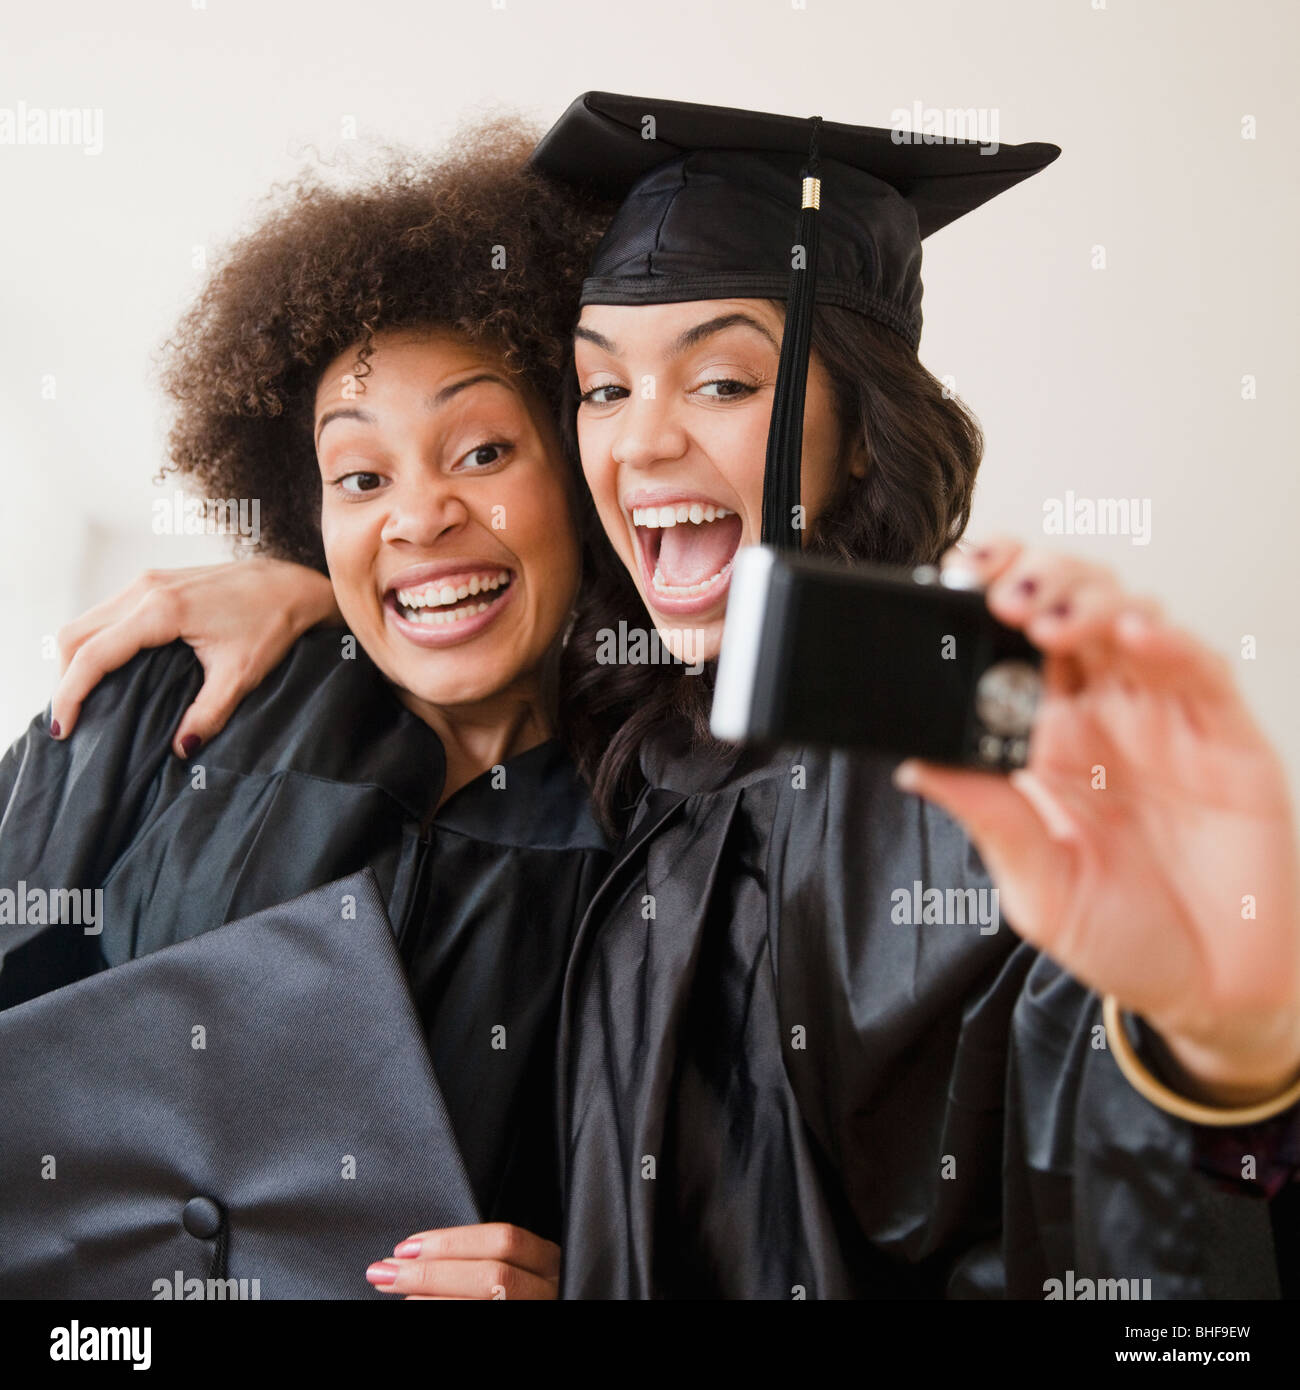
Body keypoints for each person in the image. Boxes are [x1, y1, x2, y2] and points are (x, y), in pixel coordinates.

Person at [49, 94, 1300, 1300]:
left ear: (856, 429)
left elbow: (1073, 1151)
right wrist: (308, 583)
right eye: (603, 387)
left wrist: (1230, 1050)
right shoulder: (624, 762)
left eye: (720, 381)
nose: (642, 440)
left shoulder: (909, 781)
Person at [0, 124, 616, 1299]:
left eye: (482, 450)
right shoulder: (179, 701)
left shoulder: (662, 842)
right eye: (361, 477)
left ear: (580, 477)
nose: (418, 516)